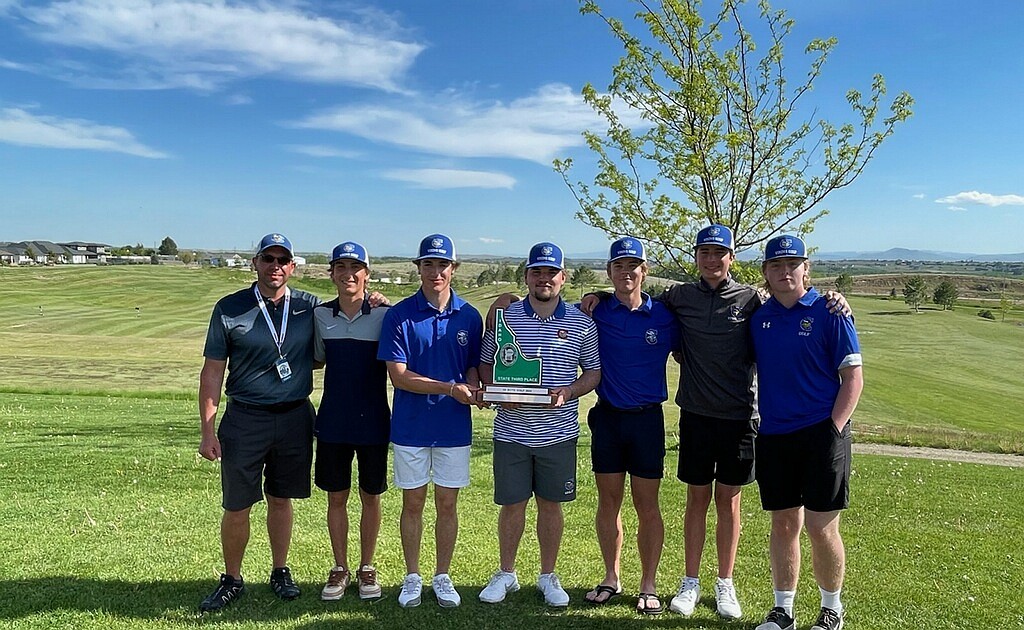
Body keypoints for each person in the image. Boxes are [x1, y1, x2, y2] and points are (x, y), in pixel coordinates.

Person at [580, 224, 848, 620]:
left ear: (731, 258)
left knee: (729, 502)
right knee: (696, 499)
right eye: (704, 252)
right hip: (696, 415)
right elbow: (635, 296)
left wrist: (833, 298)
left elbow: (789, 303)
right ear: (696, 258)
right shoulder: (679, 297)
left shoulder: (752, 300)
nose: (711, 260)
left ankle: (725, 582)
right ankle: (690, 582)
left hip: (740, 416)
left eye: (718, 253)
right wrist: (599, 294)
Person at [198, 233, 321, 612]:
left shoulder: (309, 306)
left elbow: (348, 316)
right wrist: (207, 430)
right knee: (237, 504)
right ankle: (232, 579)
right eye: (268, 259)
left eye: (283, 260)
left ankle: (280, 571)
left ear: (293, 266)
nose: (275, 266)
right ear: (255, 263)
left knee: (281, 499)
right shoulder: (230, 308)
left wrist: (376, 299)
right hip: (245, 418)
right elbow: (212, 372)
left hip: (294, 417)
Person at [478, 242, 601, 608]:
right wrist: (499, 393)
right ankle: (506, 573)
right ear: (527, 276)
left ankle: (548, 575)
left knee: (550, 505)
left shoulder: (582, 322)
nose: (543, 278)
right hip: (511, 432)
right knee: (512, 505)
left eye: (551, 272)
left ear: (564, 278)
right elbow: (486, 364)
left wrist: (570, 391)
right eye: (537, 272)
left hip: (558, 433)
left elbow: (593, 372)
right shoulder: (506, 316)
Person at [750, 235, 862, 630]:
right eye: (776, 265)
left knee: (820, 526)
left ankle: (832, 609)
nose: (785, 272)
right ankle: (783, 610)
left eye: (792, 264)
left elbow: (853, 379)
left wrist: (833, 430)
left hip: (821, 433)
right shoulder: (758, 318)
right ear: (765, 272)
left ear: (805, 269)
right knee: (783, 524)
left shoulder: (831, 312)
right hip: (774, 435)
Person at [377, 233, 482, 609]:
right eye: (428, 264)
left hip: (453, 427)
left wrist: (472, 384)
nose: (435, 272)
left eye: (442, 265)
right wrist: (450, 388)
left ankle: (442, 576)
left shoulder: (469, 316)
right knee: (413, 502)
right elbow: (399, 376)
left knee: (447, 504)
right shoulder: (400, 315)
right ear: (418, 268)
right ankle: (412, 576)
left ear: (454, 269)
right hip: (411, 425)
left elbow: (473, 364)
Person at [582, 237, 680, 616]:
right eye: (619, 266)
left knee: (647, 505)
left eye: (633, 266)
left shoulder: (665, 316)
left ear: (645, 270)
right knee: (608, 503)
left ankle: (648, 583)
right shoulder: (595, 311)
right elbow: (549, 309)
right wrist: (504, 300)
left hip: (647, 421)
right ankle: (611, 577)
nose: (626, 272)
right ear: (609, 272)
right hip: (608, 418)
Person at [312, 241, 390, 601]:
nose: (348, 274)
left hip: (373, 420)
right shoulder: (320, 315)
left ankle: (367, 566)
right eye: (340, 267)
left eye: (355, 268)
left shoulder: (385, 315)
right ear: (331, 274)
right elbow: (316, 359)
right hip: (333, 420)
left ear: (367, 275)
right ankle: (340, 567)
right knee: (336, 497)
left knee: (371, 496)